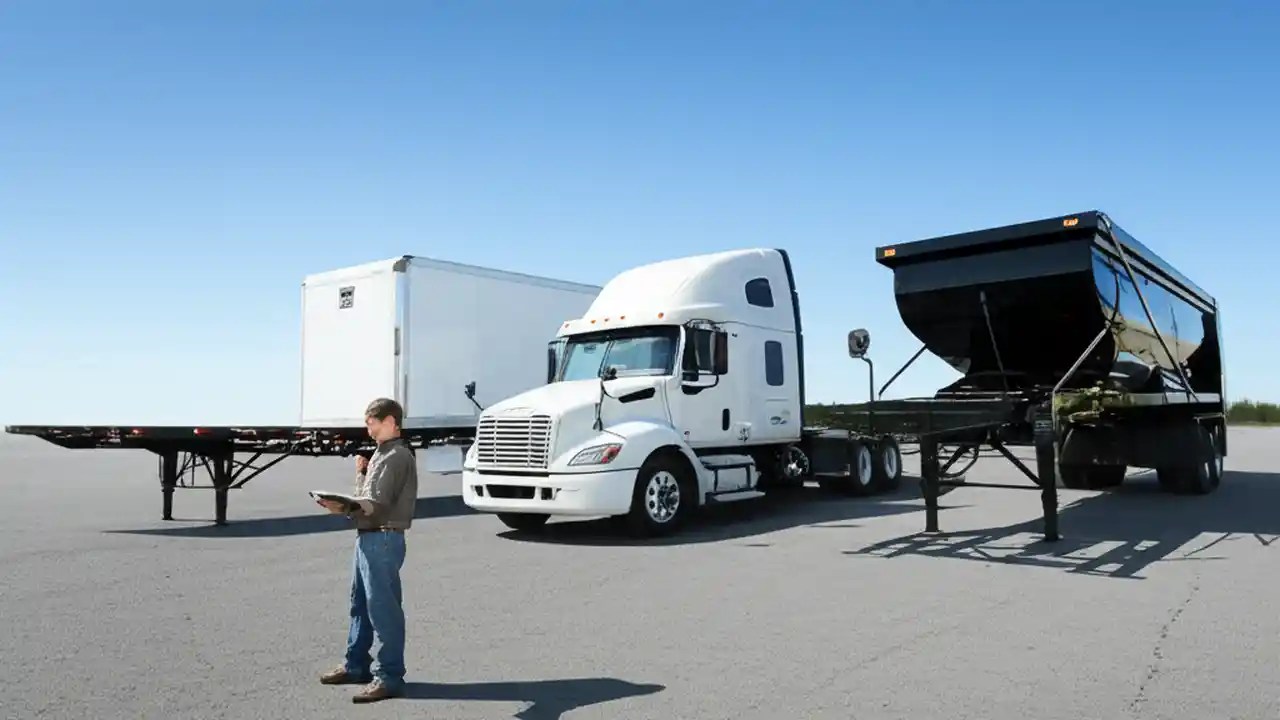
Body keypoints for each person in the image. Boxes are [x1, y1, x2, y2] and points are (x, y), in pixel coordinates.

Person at [316, 397, 418, 703]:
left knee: (382, 609)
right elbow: (369, 497)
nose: (368, 429)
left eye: (371, 422)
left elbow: (377, 505)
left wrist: (342, 506)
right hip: (369, 537)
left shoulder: (396, 456)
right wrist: (361, 474)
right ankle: (356, 665)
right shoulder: (380, 454)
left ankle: (390, 677)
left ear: (390, 421)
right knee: (360, 604)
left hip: (383, 538)